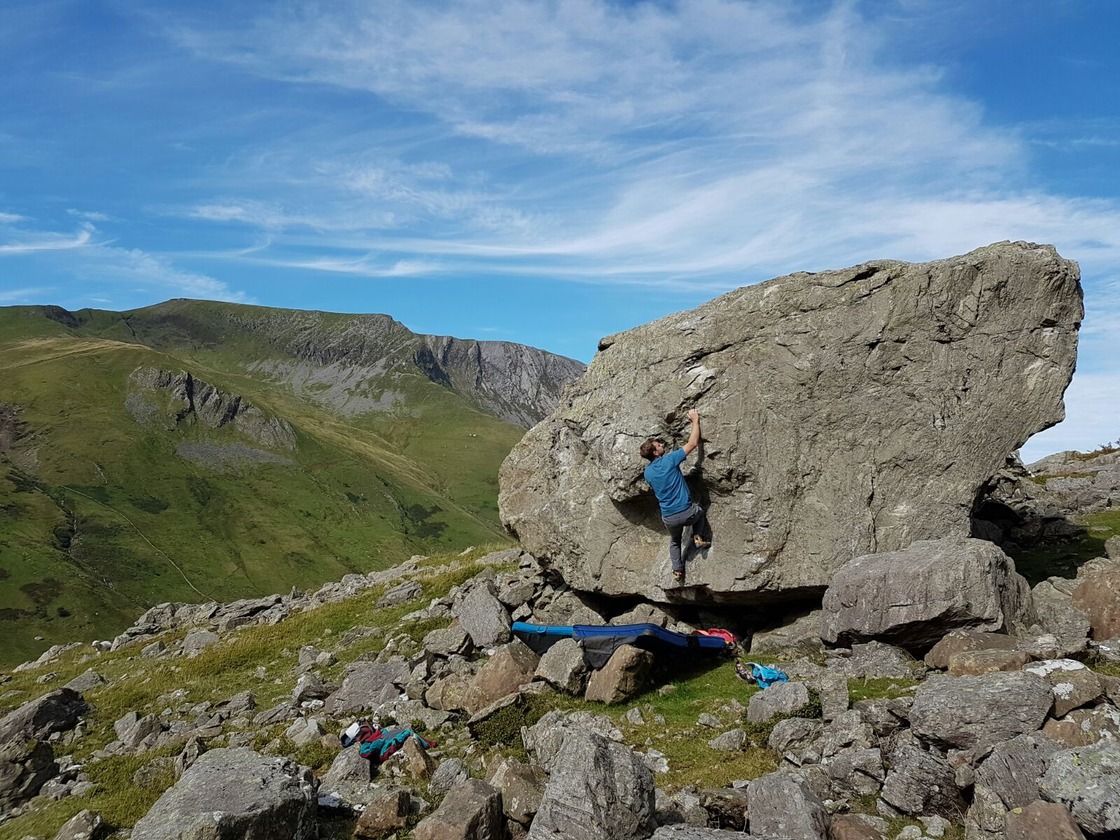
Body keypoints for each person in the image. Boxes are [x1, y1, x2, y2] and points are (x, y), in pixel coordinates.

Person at [639, 408, 713, 583]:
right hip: (687, 512)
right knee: (700, 512)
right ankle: (698, 536)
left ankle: (677, 571)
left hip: (669, 517)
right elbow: (693, 443)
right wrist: (695, 420)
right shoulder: (670, 460)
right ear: (656, 453)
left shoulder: (648, 473)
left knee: (674, 541)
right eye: (658, 445)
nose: (662, 444)